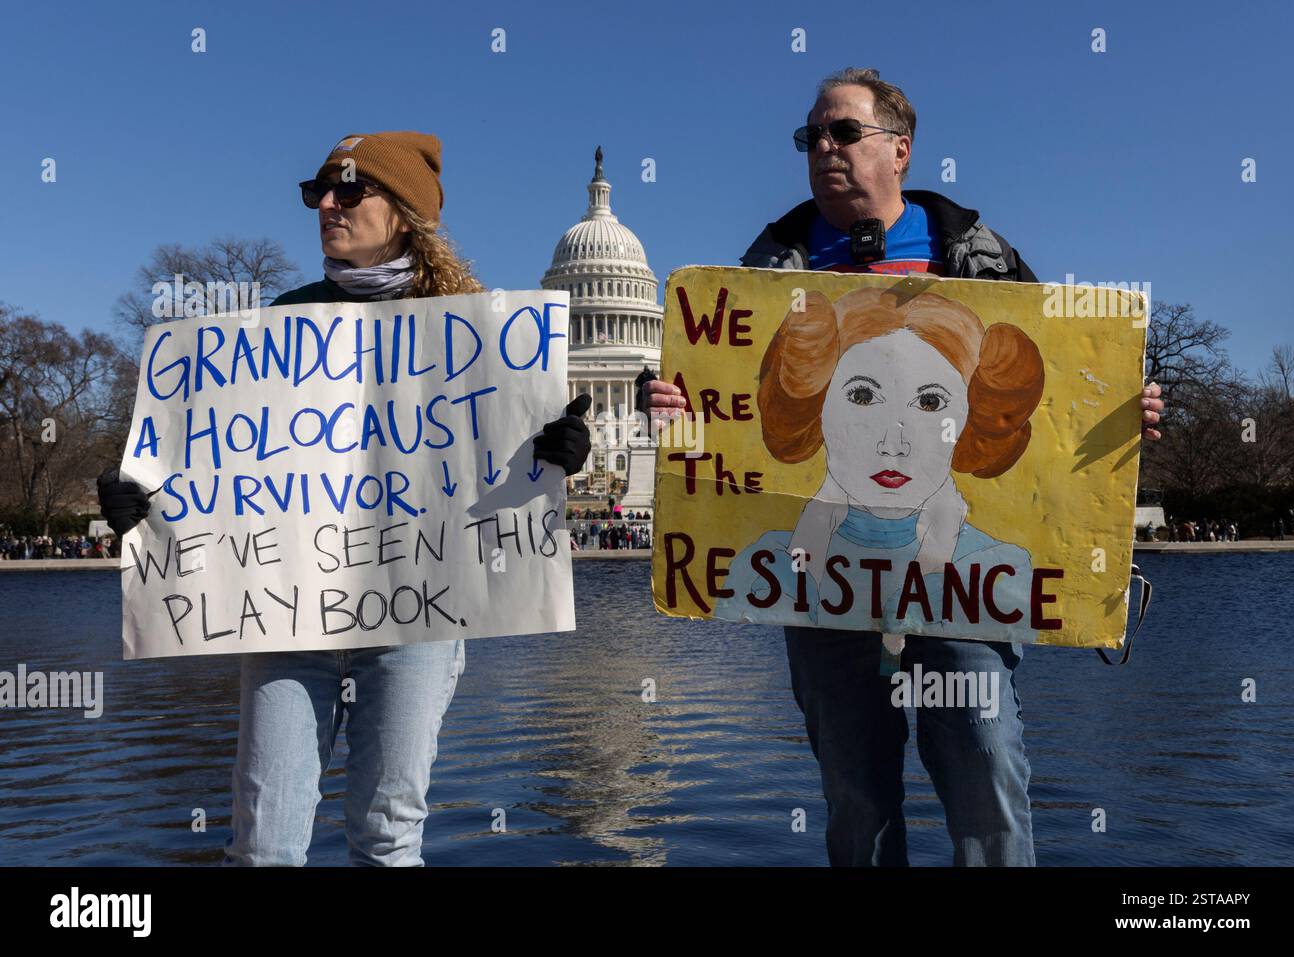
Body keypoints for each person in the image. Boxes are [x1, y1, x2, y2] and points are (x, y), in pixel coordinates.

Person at [644, 68, 1164, 866]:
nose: (824, 148)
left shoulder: (977, 257)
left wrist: (1121, 418)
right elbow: (730, 418)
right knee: (855, 792)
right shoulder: (761, 274)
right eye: (810, 136)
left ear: (900, 150)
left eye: (843, 132)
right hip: (823, 582)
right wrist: (678, 417)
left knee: (986, 764)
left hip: (961, 577)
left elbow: (1055, 395)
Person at [97, 130, 592, 866]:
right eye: (316, 191)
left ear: (405, 211)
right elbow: (213, 453)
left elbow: (499, 463)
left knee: (387, 836)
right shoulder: (280, 323)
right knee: (263, 844)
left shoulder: (478, 328)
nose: (326, 203)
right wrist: (138, 490)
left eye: (349, 189)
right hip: (287, 611)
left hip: (418, 611)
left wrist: (559, 454)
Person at [715, 287, 1045, 643]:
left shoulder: (998, 570)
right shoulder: (764, 566)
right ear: (817, 406)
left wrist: (933, 566)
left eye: (930, 402)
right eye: (862, 396)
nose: (892, 444)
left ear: (970, 418)